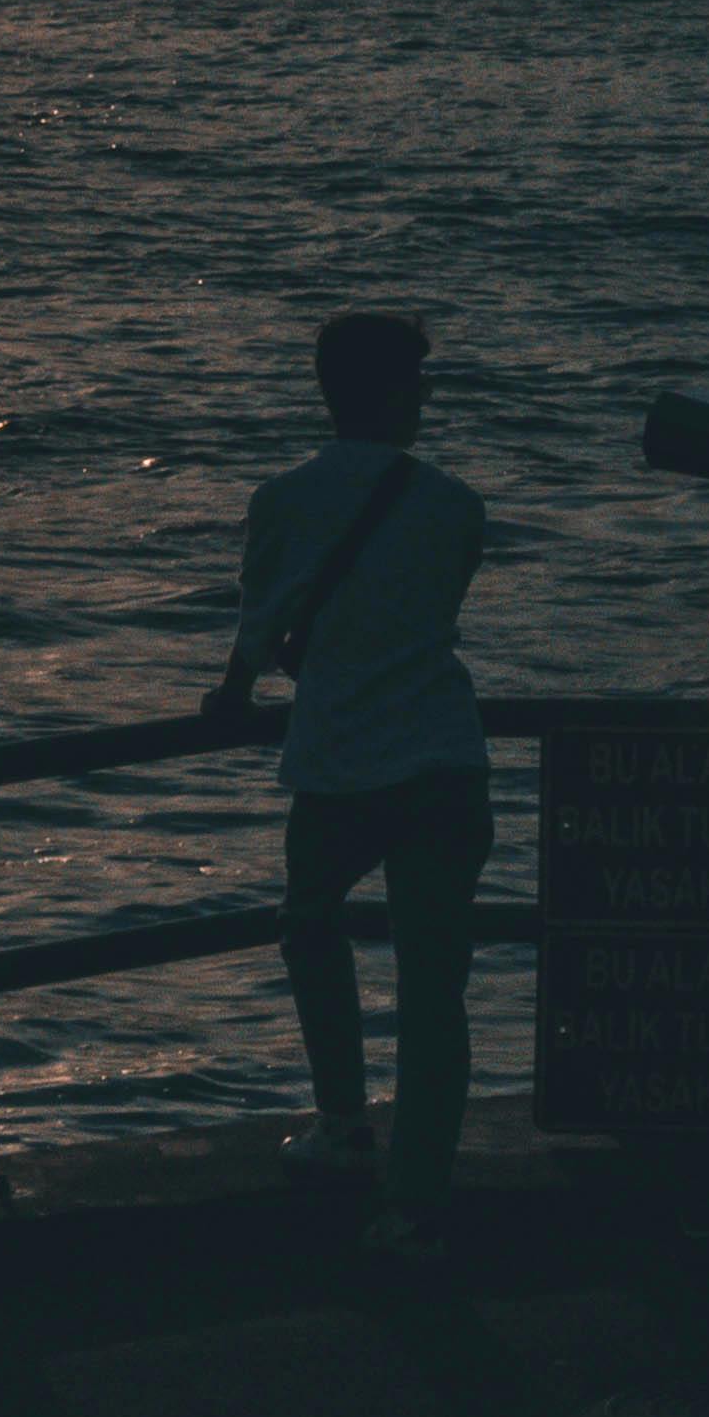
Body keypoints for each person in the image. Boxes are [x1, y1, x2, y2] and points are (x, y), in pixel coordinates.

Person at [206, 309, 492, 1257]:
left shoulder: (282, 498)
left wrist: (238, 690)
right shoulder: (454, 502)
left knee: (309, 924)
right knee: (432, 987)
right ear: (395, 392)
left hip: (334, 765)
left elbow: (258, 623)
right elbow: (442, 602)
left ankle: (342, 1121)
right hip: (445, 759)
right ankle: (415, 1197)